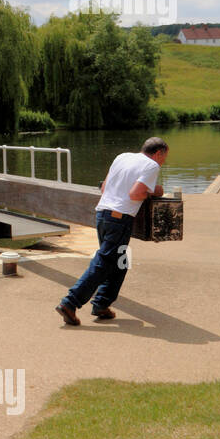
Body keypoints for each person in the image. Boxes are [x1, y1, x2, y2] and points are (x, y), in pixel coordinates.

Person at [56, 137, 169, 325]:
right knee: (103, 263)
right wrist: (155, 191)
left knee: (121, 261)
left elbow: (104, 187)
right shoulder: (151, 165)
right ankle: (70, 303)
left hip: (103, 214)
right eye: (164, 157)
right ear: (158, 153)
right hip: (120, 218)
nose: (163, 162)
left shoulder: (122, 156)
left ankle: (101, 304)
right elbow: (135, 194)